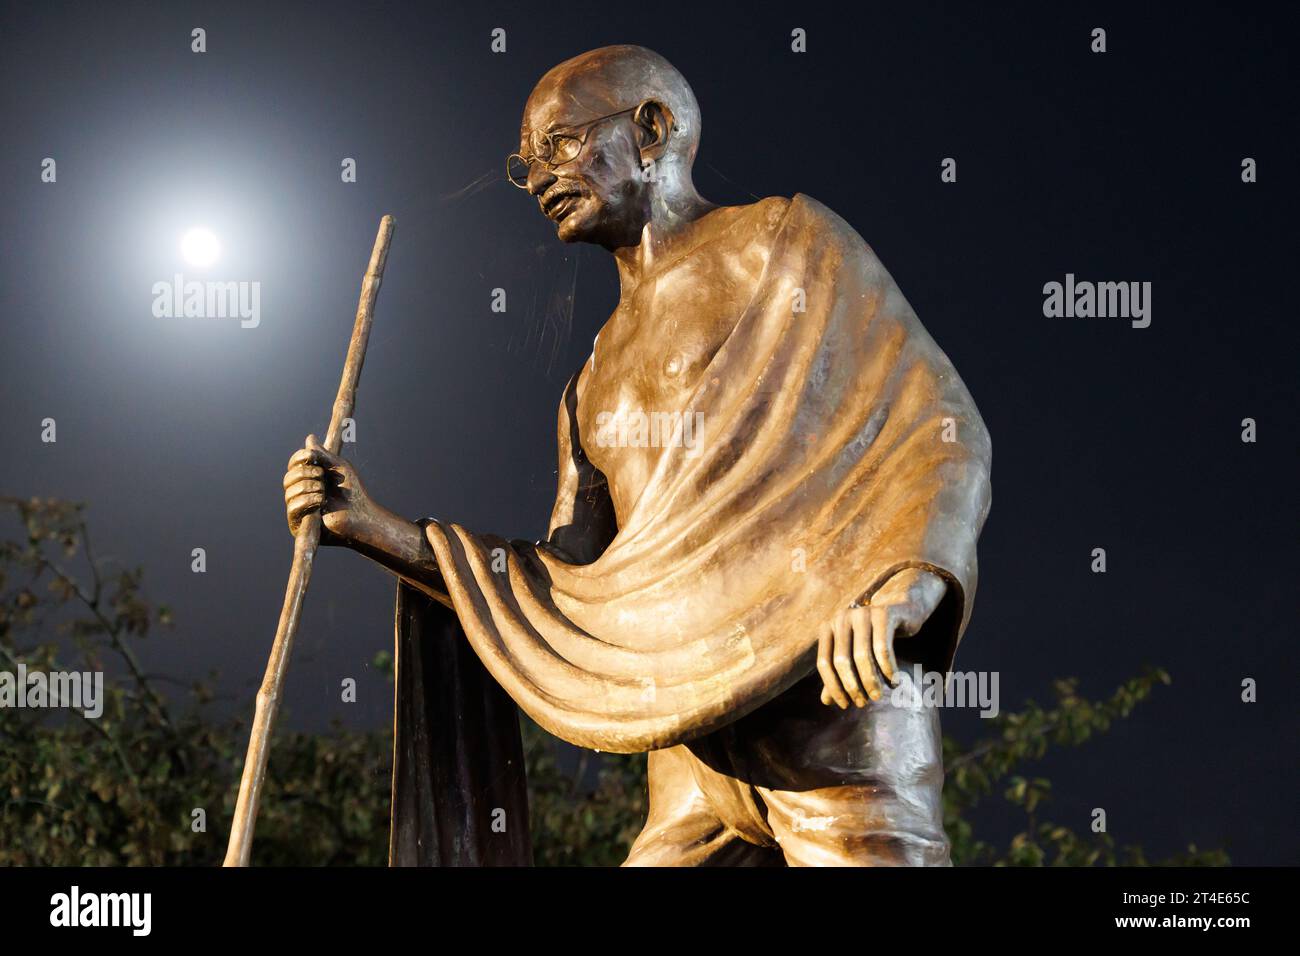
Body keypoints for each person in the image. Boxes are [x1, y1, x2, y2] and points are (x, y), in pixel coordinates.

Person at [282, 45, 991, 866]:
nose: (539, 174)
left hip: (829, 701)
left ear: (651, 128)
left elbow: (937, 424)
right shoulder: (590, 381)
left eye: (560, 144)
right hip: (689, 737)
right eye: (526, 162)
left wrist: (902, 587)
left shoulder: (786, 245)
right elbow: (562, 579)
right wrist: (374, 529)